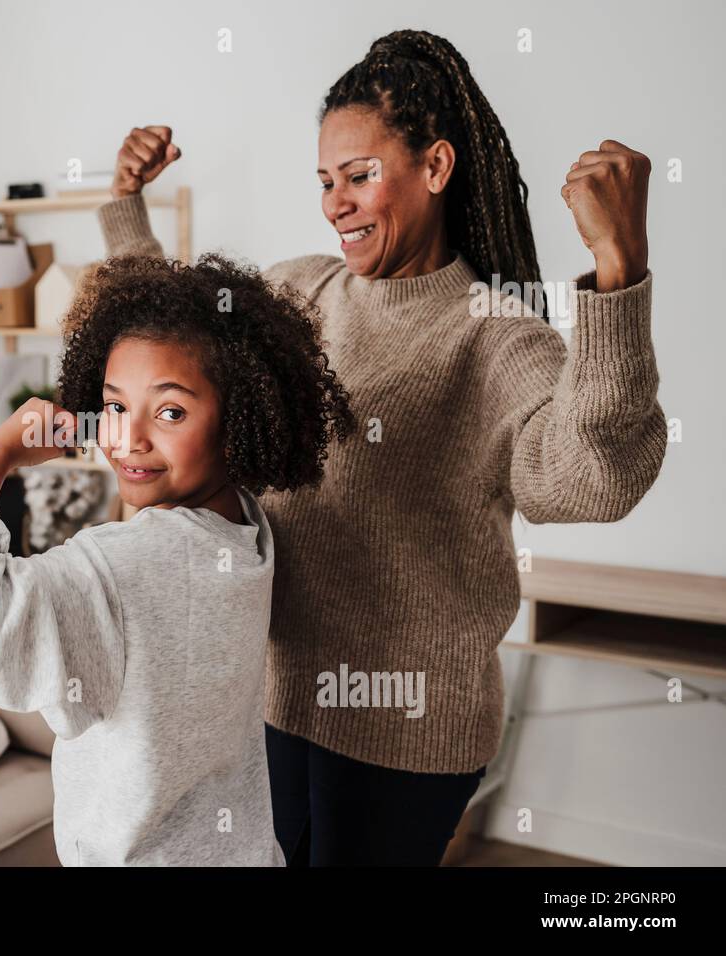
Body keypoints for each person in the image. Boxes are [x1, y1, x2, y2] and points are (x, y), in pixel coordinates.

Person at [99, 29, 666, 865]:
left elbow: (590, 481)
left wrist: (619, 266)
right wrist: (124, 205)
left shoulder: (495, 334)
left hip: (406, 736)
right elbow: (175, 341)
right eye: (326, 181)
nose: (336, 203)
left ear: (435, 168)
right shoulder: (300, 292)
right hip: (270, 700)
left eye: (360, 176)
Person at [0, 252, 352, 865]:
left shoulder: (129, 565)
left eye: (170, 411)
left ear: (237, 421)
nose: (128, 439)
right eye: (113, 406)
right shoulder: (243, 527)